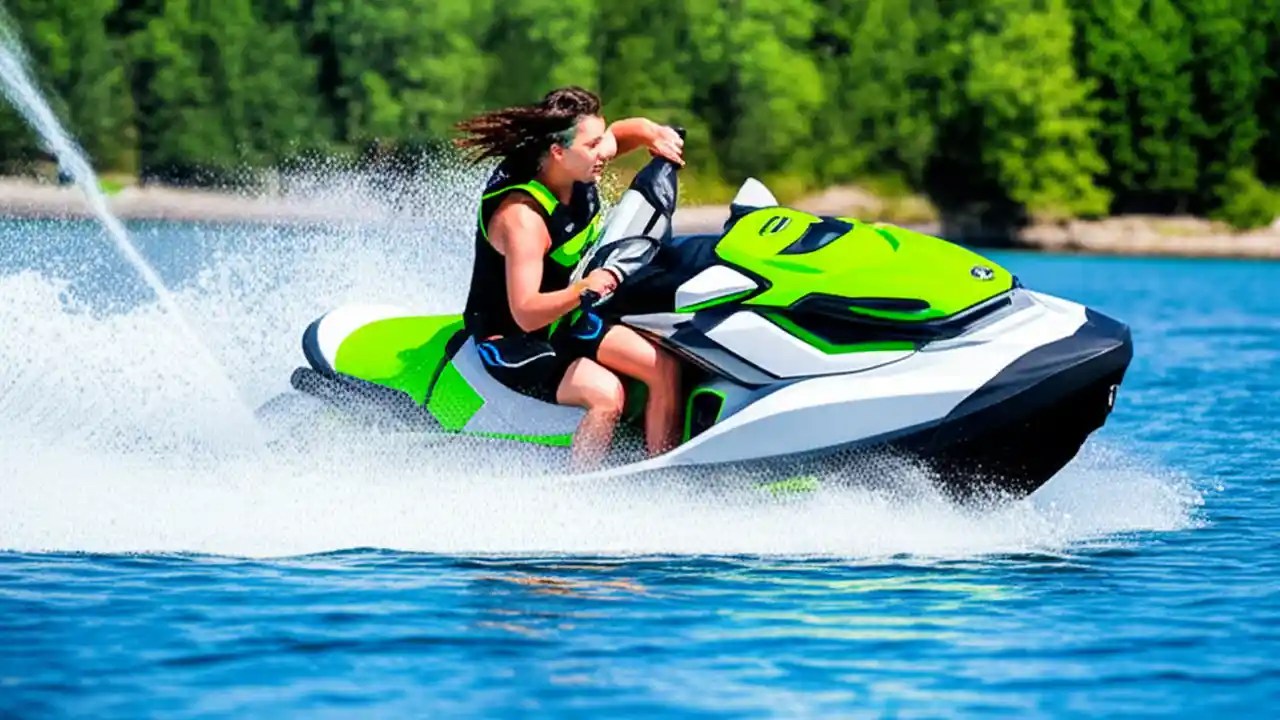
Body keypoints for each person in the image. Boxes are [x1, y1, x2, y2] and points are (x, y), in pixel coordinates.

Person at [454, 87, 684, 469]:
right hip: (511, 339)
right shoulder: (523, 219)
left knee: (663, 366)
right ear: (558, 152)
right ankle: (580, 493)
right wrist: (582, 290)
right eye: (593, 145)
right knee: (607, 395)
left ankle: (663, 477)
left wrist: (653, 133)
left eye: (600, 140)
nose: (604, 151)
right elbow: (526, 312)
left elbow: (620, 134)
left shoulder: (576, 163)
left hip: (565, 316)